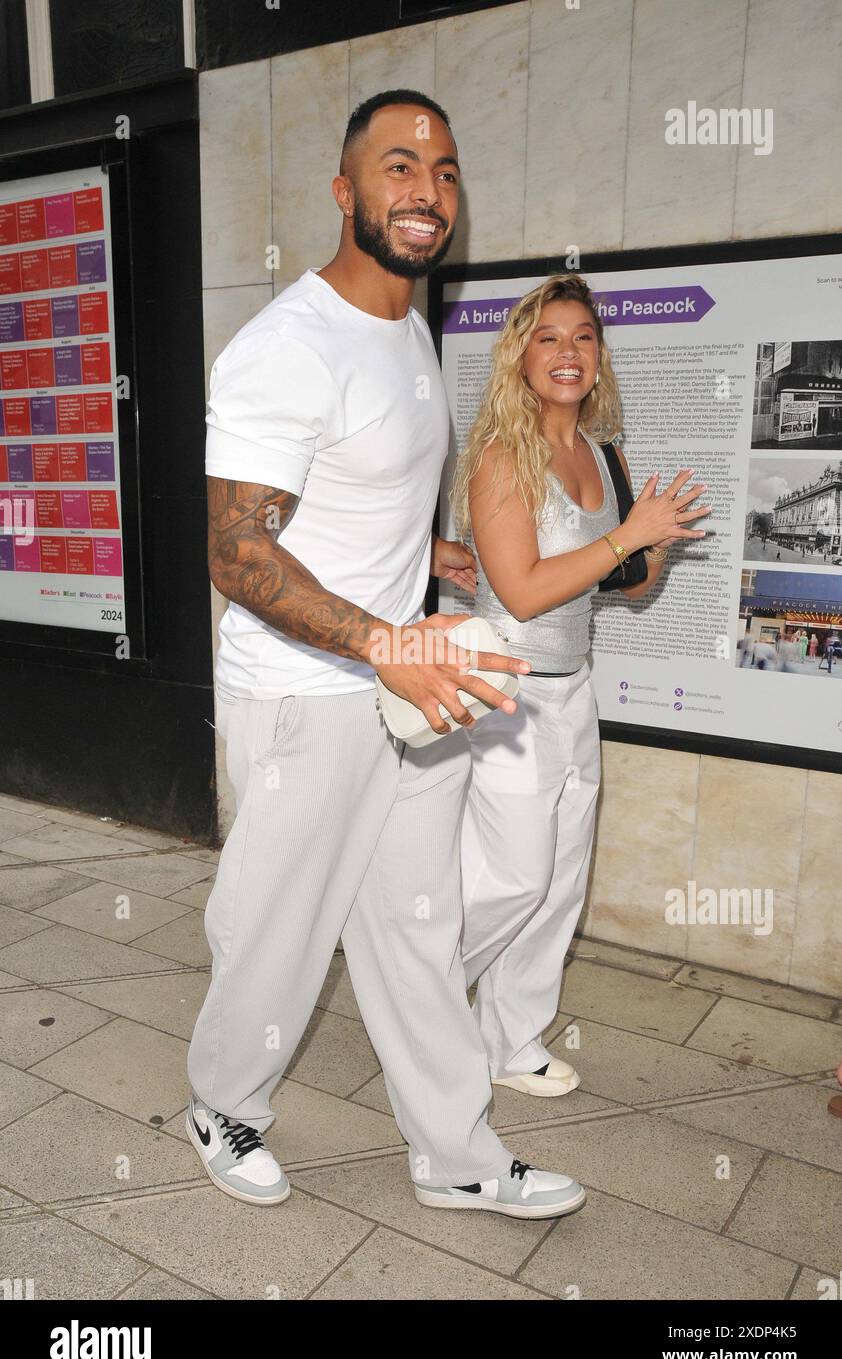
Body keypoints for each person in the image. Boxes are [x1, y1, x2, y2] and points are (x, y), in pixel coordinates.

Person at [186, 90, 587, 1221]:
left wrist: (434, 555)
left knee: (417, 927)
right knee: (277, 927)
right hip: (308, 693)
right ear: (346, 190)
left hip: (403, 684)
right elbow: (237, 549)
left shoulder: (407, 326)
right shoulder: (285, 348)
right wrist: (379, 640)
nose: (427, 192)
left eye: (446, 172)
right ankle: (224, 1102)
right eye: (400, 167)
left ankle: (454, 1150)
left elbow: (355, 500)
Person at [450, 272, 709, 1096]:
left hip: (573, 689)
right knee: (516, 874)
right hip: (505, 690)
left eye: (583, 338)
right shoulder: (499, 455)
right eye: (549, 337)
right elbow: (522, 590)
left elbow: (623, 585)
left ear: (599, 359)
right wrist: (625, 536)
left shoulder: (605, 453)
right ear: (520, 355)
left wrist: (652, 544)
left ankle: (512, 1037)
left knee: (562, 875)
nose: (568, 353)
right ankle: (416, 995)